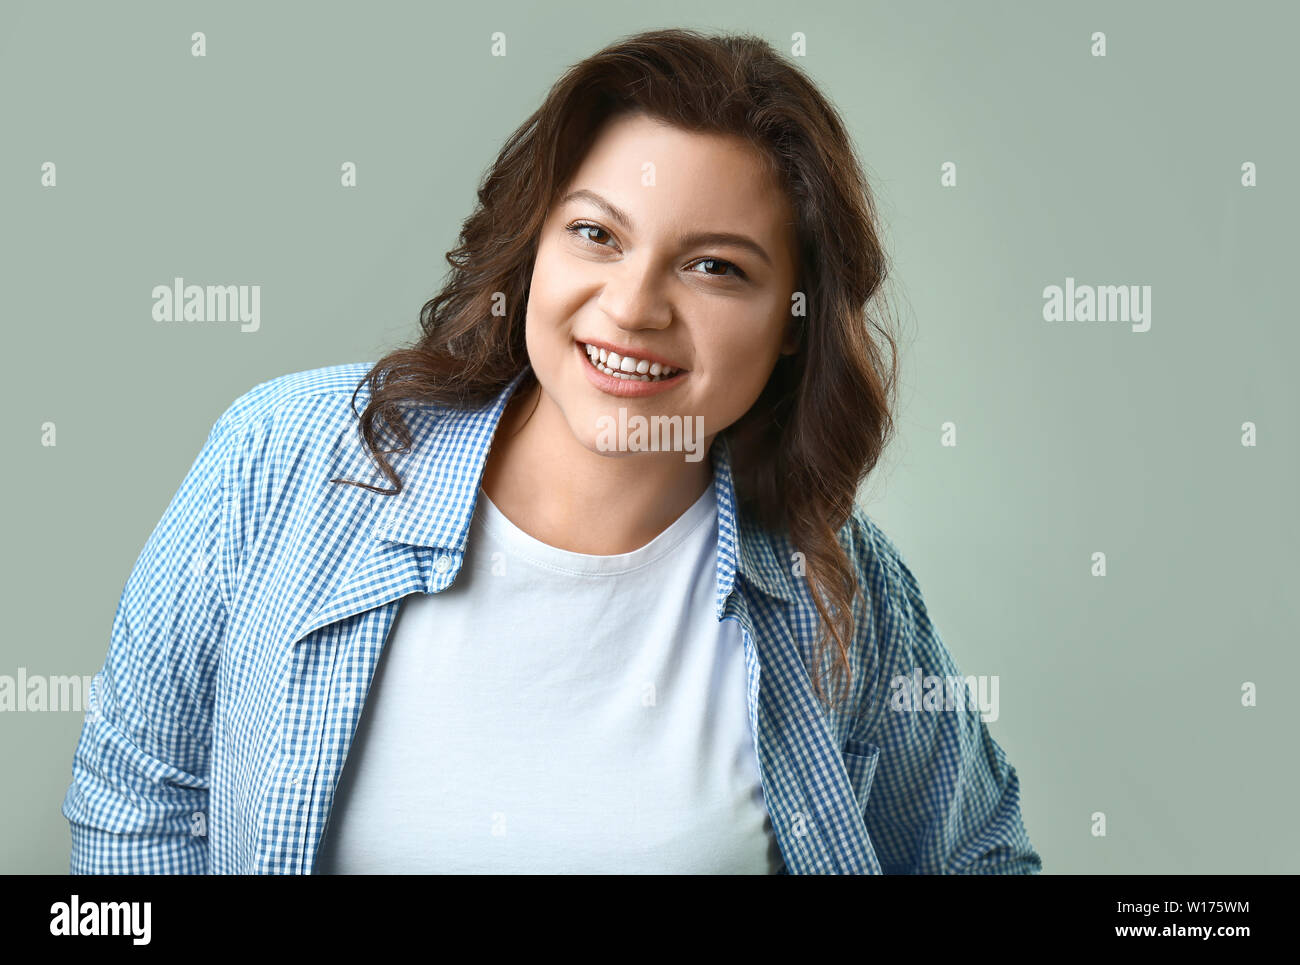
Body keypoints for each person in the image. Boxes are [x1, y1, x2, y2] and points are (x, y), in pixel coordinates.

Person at [61, 27, 1041, 874]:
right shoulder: (282, 458)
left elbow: (974, 857)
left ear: (794, 318)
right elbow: (135, 808)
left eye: (714, 266)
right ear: (535, 245)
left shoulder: (837, 589)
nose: (632, 306)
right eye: (596, 234)